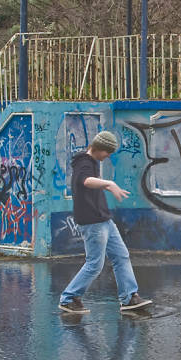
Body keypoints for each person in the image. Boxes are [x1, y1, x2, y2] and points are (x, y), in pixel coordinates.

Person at [58, 130, 151, 314]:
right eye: (107, 152)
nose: (108, 156)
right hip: (92, 222)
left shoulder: (91, 162)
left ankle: (129, 298)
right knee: (94, 264)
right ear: (99, 148)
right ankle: (68, 298)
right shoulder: (83, 162)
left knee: (121, 256)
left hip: (104, 220)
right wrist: (109, 184)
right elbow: (85, 181)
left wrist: (106, 187)